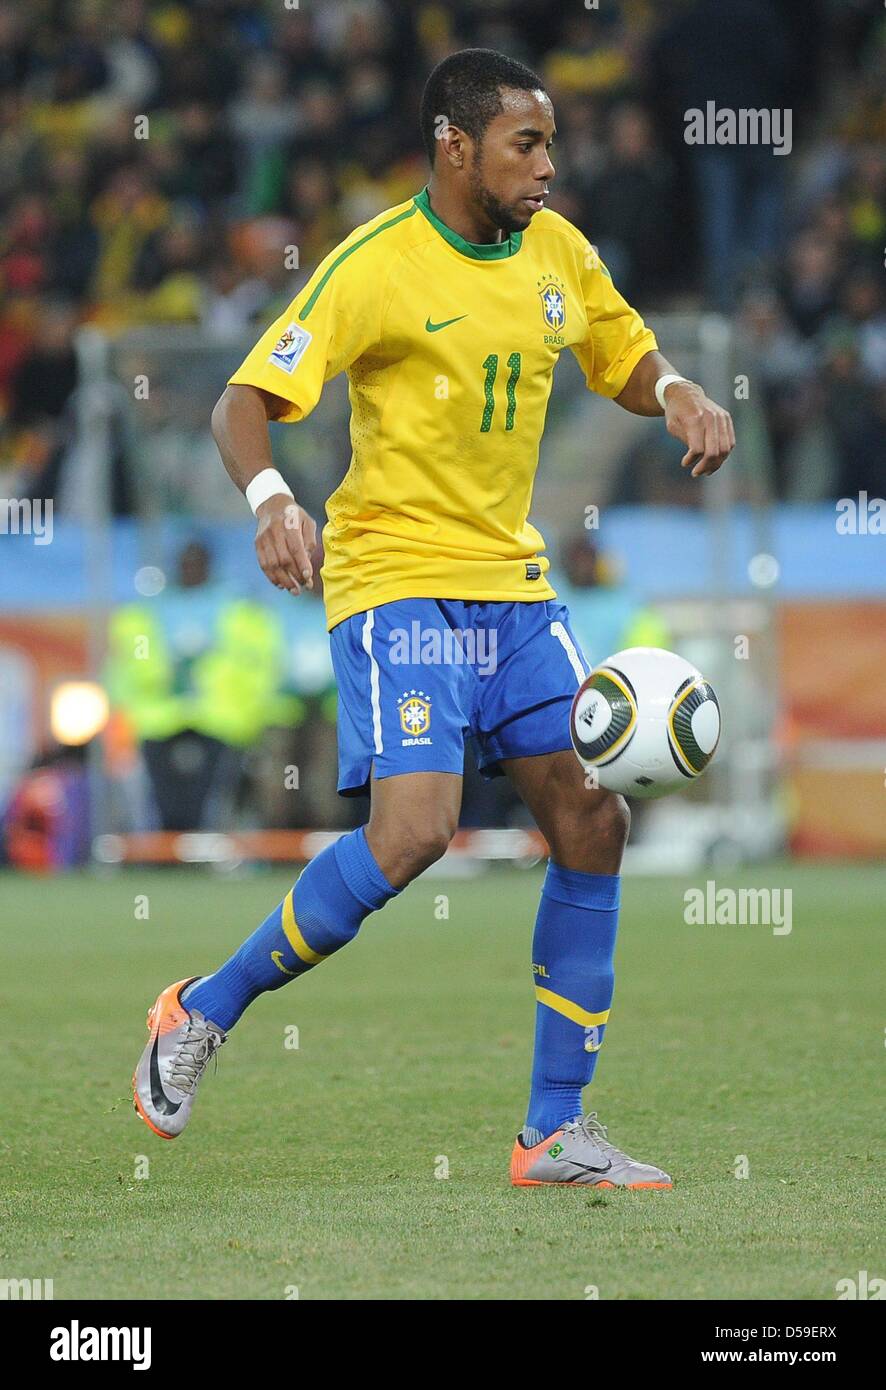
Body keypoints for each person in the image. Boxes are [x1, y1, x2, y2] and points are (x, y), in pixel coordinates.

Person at [132, 49, 734, 1188]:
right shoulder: (375, 263)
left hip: (508, 581)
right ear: (455, 146)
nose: (549, 165)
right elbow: (242, 400)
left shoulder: (556, 248)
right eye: (526, 144)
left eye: (551, 142)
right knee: (413, 835)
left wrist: (676, 391)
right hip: (394, 577)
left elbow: (618, 347)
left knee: (591, 817)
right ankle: (200, 1011)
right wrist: (272, 502)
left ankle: (552, 1130)